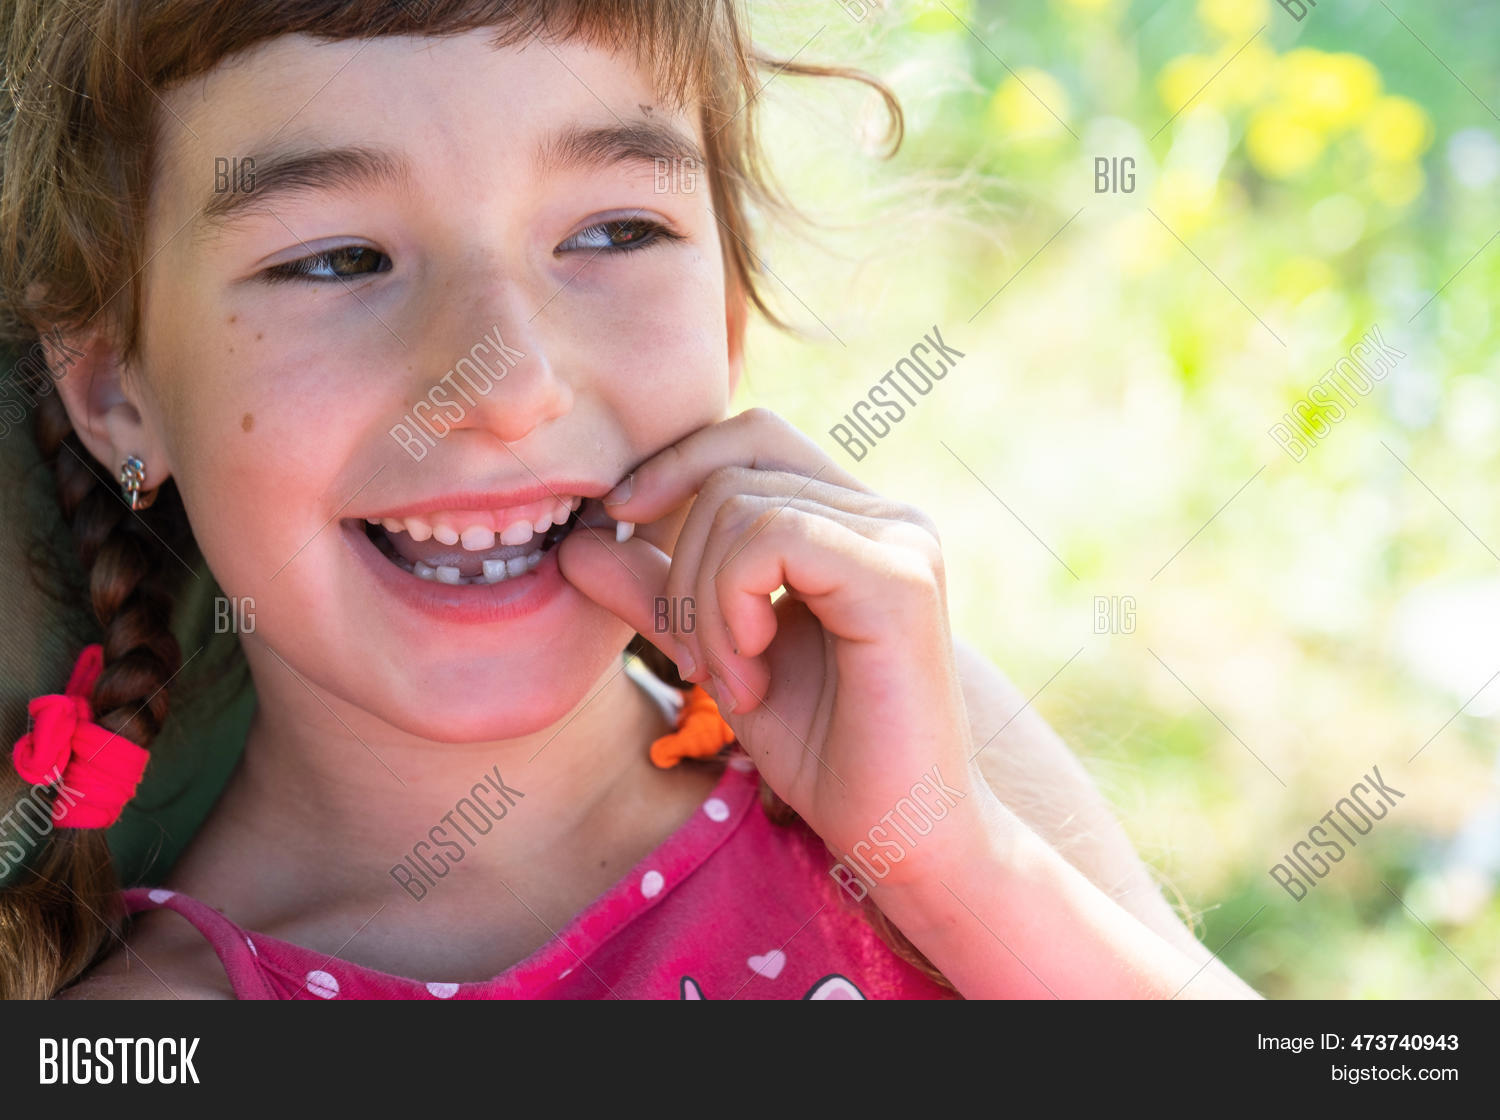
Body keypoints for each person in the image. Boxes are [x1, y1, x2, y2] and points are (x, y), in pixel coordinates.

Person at [0, 0, 1257, 999]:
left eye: (612, 233)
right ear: (117, 389)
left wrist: (950, 863)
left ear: (728, 308)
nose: (510, 384)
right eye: (337, 258)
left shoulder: (908, 729)